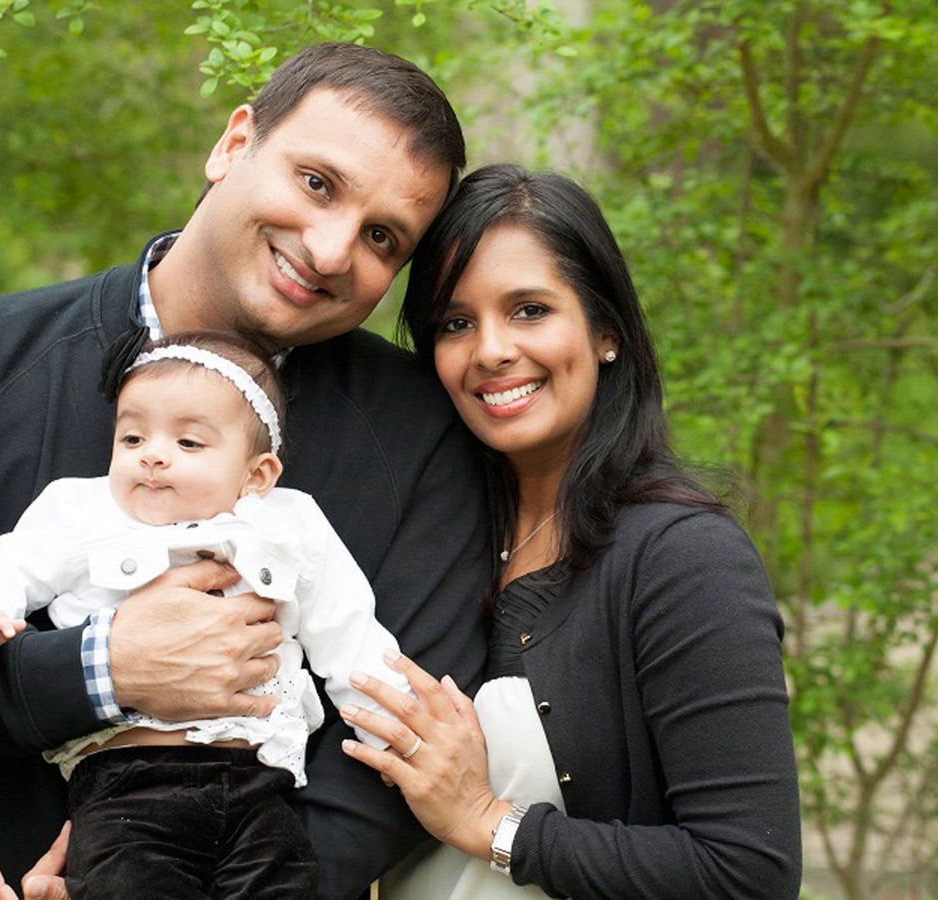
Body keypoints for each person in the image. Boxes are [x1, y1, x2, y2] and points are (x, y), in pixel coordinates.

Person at [0, 43, 490, 900]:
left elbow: (397, 744)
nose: (330, 248)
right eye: (318, 183)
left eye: (383, 237)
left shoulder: (417, 434)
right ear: (234, 144)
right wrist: (101, 669)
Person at [338, 164, 803, 897]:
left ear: (606, 331)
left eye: (529, 310)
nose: (491, 349)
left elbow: (746, 872)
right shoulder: (430, 540)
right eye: (456, 323)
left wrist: (489, 823)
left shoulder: (684, 559)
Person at [0, 330, 411, 897]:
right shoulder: (81, 511)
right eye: (132, 437)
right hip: (128, 789)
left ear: (257, 475)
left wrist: (392, 732)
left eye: (189, 443)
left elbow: (349, 631)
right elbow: (6, 564)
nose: (153, 454)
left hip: (261, 784)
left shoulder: (290, 523)